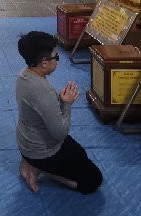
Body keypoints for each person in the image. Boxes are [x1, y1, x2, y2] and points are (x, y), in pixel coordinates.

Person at [15, 31, 102, 194]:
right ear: (44, 63)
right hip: (40, 150)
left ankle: (30, 162)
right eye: (56, 57)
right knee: (94, 180)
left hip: (25, 141)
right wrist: (67, 104)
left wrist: (60, 102)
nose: (57, 61)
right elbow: (59, 134)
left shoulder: (23, 75)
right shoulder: (43, 91)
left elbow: (40, 111)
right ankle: (39, 167)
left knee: (80, 153)